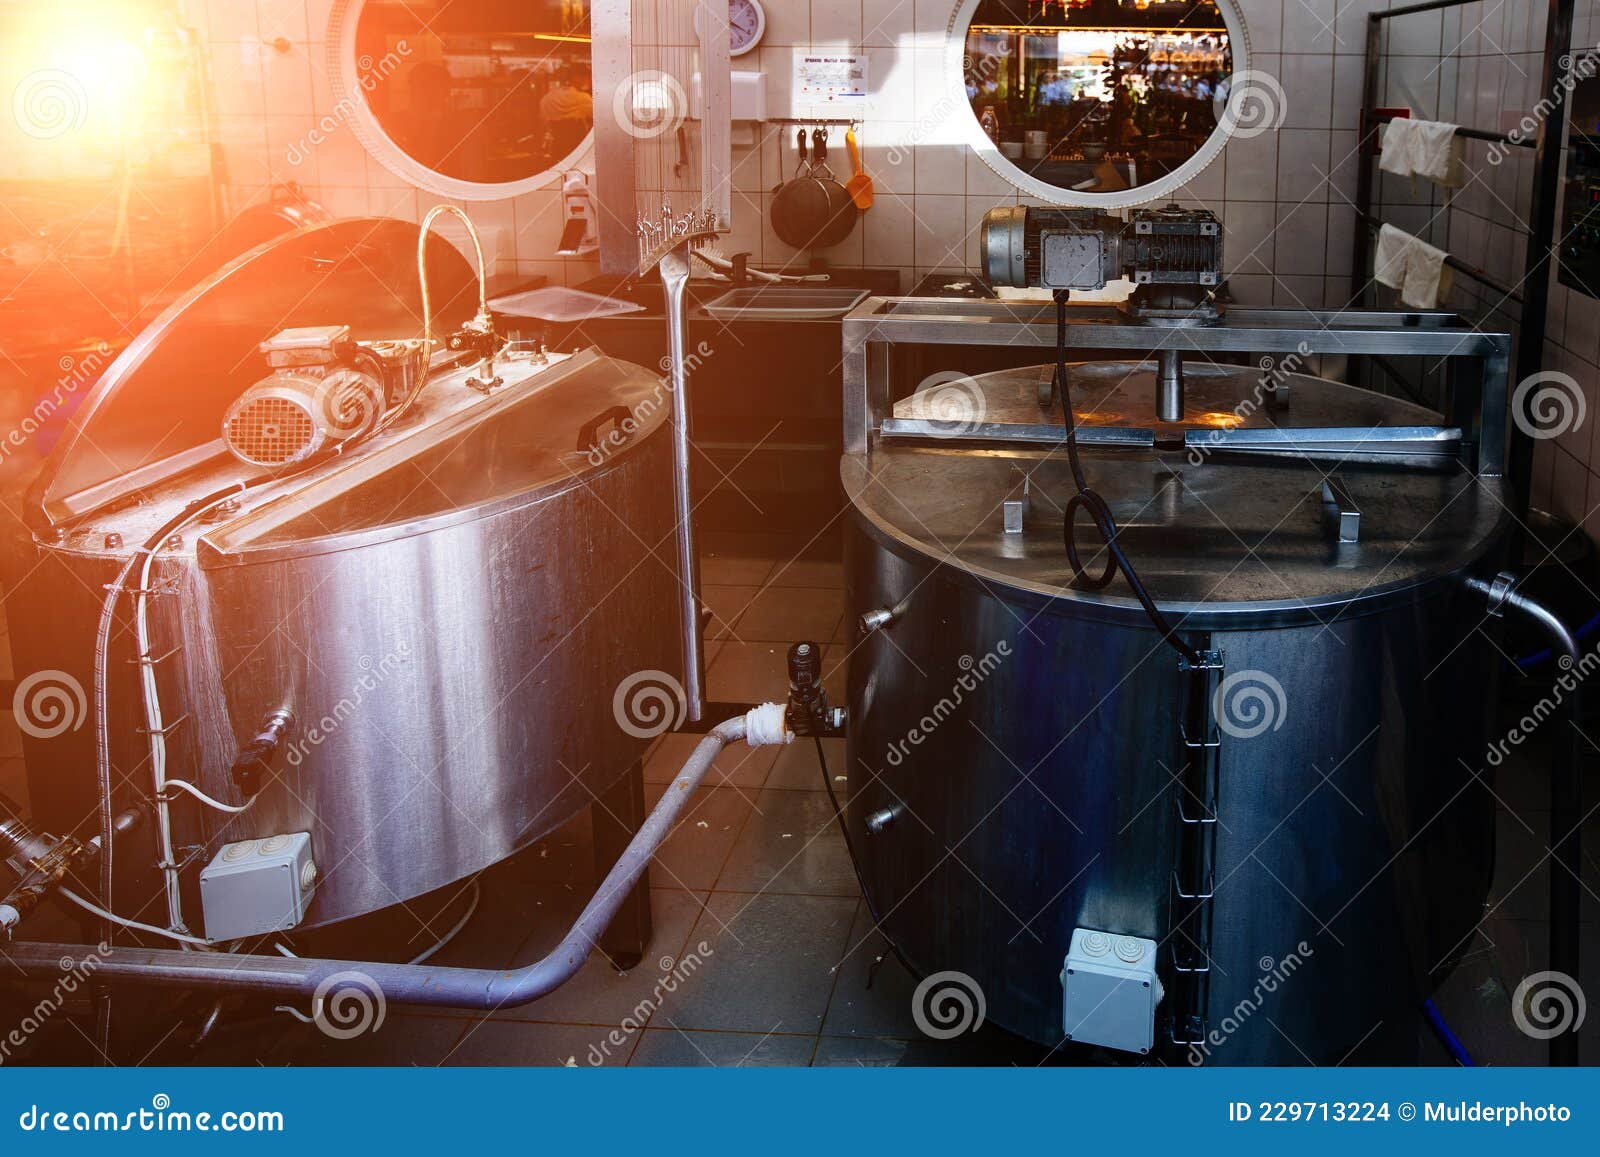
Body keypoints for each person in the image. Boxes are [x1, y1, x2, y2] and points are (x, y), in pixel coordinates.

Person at [540, 66, 593, 160]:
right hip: (579, 148)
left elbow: (544, 122)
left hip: (557, 147)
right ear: (577, 77)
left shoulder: (546, 99)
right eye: (587, 77)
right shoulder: (582, 98)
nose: (589, 80)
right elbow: (597, 120)